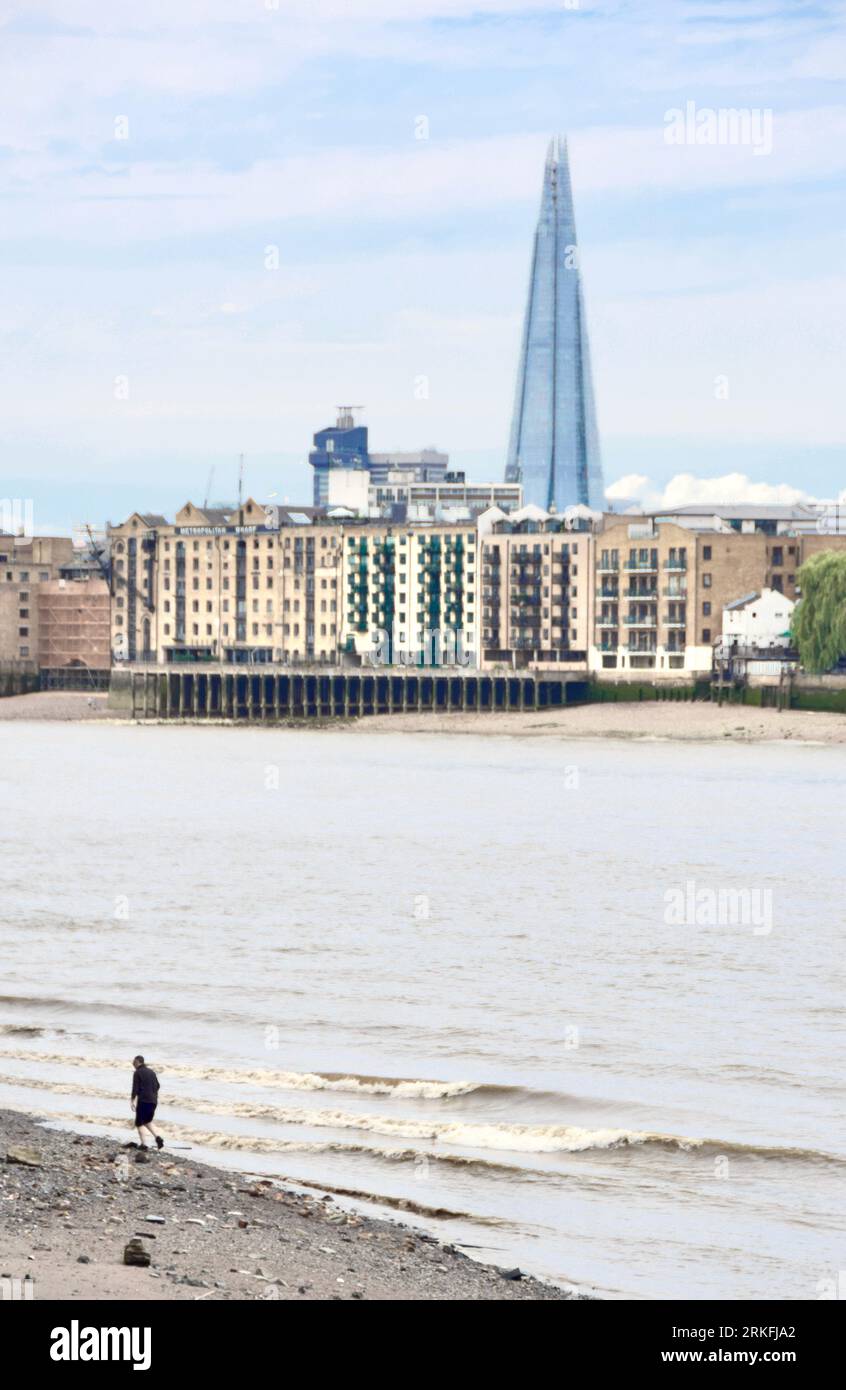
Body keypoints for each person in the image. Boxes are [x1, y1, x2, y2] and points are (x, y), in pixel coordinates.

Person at [131, 1055, 163, 1150]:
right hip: (153, 1101)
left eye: (133, 1062)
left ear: (137, 1062)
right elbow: (157, 1086)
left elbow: (135, 1088)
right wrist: (152, 1094)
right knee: (146, 1121)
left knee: (139, 1123)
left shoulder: (137, 1073)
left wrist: (132, 1100)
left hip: (144, 1101)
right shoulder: (152, 1072)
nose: (132, 1064)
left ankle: (144, 1145)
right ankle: (158, 1137)